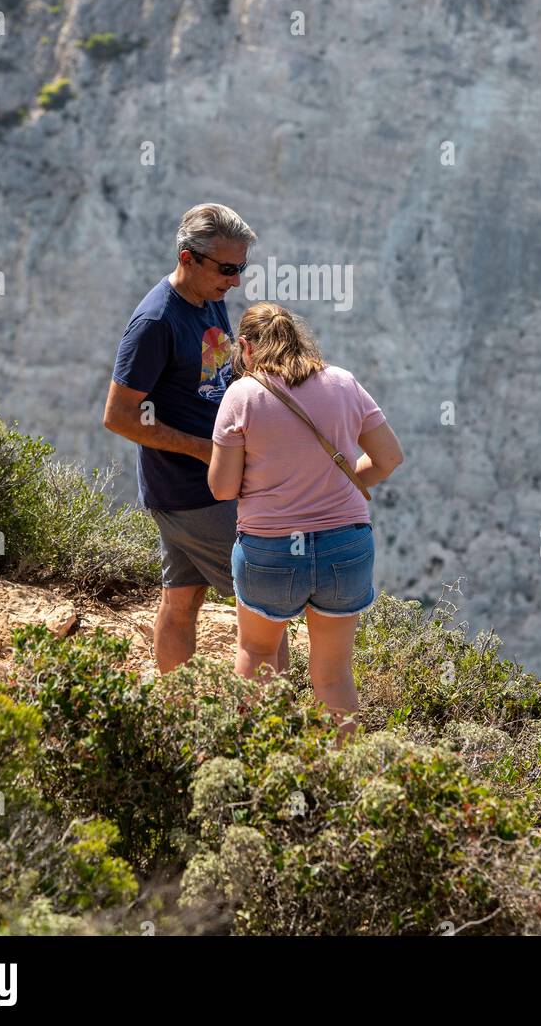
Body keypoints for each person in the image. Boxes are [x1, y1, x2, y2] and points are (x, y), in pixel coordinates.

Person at [102, 203, 290, 675]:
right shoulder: (154, 323)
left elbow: (215, 375)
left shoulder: (209, 300)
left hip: (209, 483)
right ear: (188, 259)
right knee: (268, 601)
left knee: (181, 598)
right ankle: (274, 725)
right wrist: (205, 450)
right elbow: (119, 416)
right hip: (193, 491)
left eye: (241, 268)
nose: (236, 281)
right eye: (227, 269)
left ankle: (173, 706)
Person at [208, 302, 404, 739]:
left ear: (246, 347)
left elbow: (221, 488)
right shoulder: (344, 383)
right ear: (299, 339)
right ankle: (340, 778)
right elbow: (389, 457)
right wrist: (344, 486)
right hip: (345, 547)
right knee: (333, 674)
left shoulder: (242, 395)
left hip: (271, 549)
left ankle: (256, 767)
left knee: (257, 653)